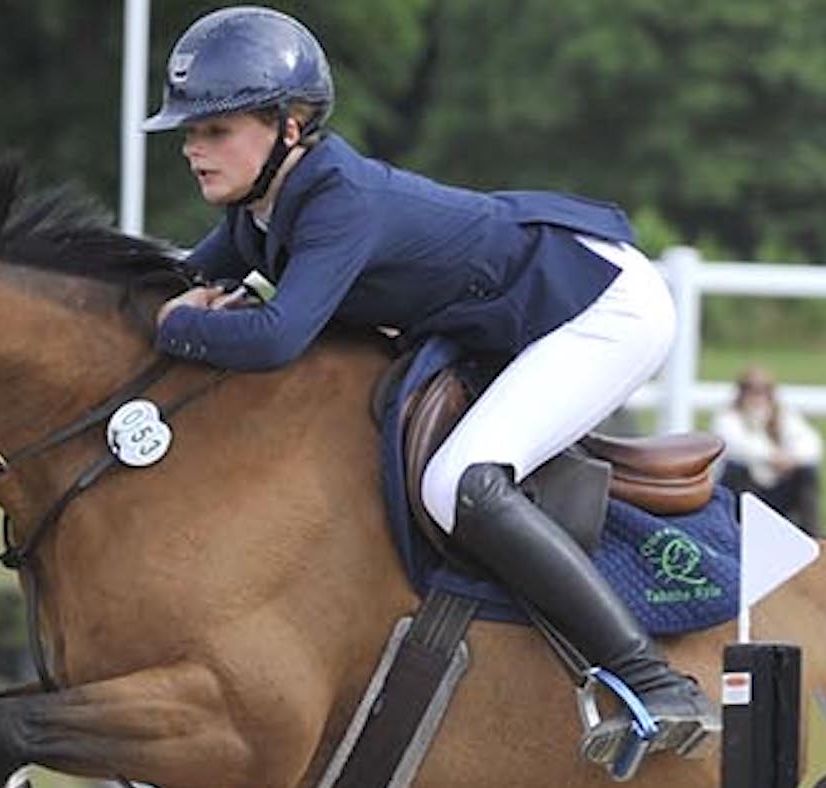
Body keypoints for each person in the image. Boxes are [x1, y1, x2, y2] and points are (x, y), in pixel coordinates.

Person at [141, 6, 715, 762]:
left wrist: (172, 327)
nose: (193, 148)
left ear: (289, 126)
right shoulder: (260, 211)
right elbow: (176, 278)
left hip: (601, 307)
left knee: (462, 482)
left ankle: (655, 682)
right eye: (188, 131)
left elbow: (277, 337)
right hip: (518, 307)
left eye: (214, 130)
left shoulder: (334, 201)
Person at [710, 365, 823, 535]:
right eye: (751, 389)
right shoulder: (728, 418)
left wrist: (793, 459)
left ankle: (813, 538)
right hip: (745, 492)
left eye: (764, 389)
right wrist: (772, 457)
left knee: (807, 473)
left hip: (776, 490)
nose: (758, 395)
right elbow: (735, 445)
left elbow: (812, 444)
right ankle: (733, 532)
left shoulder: (784, 416)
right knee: (736, 469)